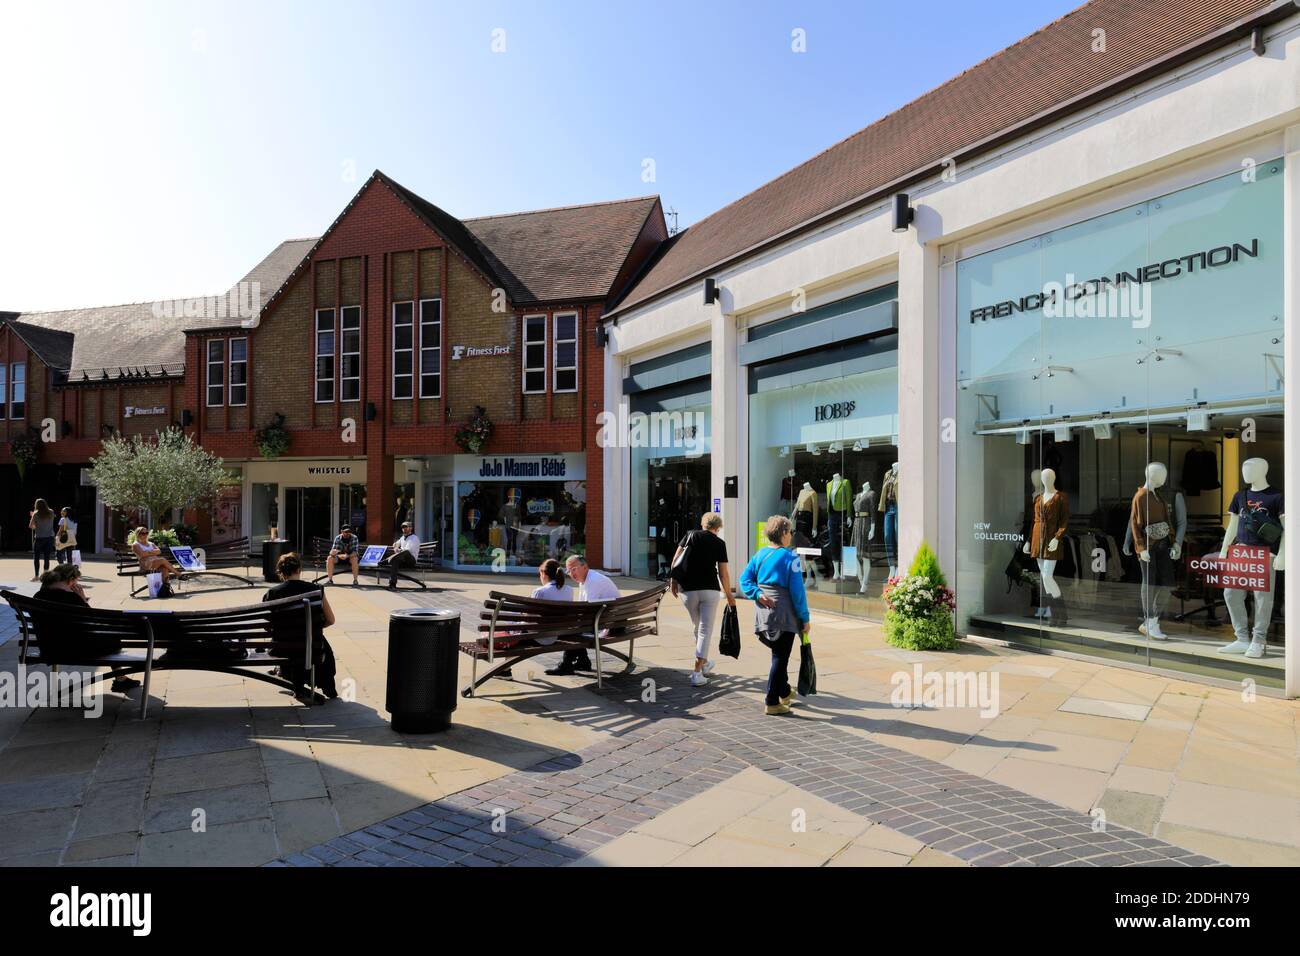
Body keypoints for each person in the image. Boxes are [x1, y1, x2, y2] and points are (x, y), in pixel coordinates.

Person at [740, 515, 810, 716]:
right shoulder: (791, 558)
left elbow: (745, 580)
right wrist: (804, 618)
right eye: (790, 532)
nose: (791, 536)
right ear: (783, 534)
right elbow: (798, 593)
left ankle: (785, 692)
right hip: (784, 615)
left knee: (777, 654)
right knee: (780, 658)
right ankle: (772, 701)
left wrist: (758, 594)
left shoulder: (760, 554)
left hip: (763, 614)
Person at [34, 563, 140, 693]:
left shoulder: (37, 597)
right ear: (70, 580)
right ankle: (120, 678)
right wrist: (83, 600)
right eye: (76, 581)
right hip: (75, 649)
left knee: (107, 634)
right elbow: (92, 620)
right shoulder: (71, 598)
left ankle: (121, 678)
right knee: (112, 637)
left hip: (49, 648)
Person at [669, 512, 737, 687]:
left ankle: (704, 663)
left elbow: (676, 560)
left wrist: (673, 580)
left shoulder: (690, 535)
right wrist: (729, 596)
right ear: (718, 527)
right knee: (704, 630)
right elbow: (723, 574)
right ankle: (697, 672)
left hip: (688, 590)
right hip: (709, 589)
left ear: (702, 524)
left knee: (697, 627)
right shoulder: (719, 543)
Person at [263, 552, 339, 700]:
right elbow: (331, 620)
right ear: (299, 570)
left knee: (294, 646)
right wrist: (311, 628)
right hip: (311, 645)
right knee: (321, 646)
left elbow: (268, 625)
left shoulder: (272, 593)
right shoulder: (316, 590)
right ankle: (328, 687)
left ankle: (292, 681)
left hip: (283, 647)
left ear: (281, 572)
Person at [547, 554, 619, 675]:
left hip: (610, 625)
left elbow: (586, 613)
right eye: (569, 571)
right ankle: (582, 660)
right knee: (573, 626)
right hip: (610, 620)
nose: (571, 574)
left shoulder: (593, 581)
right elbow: (584, 609)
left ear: (585, 566)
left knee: (570, 628)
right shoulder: (586, 580)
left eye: (574, 569)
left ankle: (566, 664)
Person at [131, 527, 179, 596]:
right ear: (138, 534)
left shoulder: (151, 543)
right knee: (162, 560)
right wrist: (153, 552)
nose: (145, 535)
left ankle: (164, 591)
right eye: (143, 533)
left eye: (146, 533)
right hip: (146, 565)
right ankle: (178, 574)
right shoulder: (136, 545)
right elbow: (142, 554)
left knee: (164, 569)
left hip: (155, 563)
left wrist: (147, 552)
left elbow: (159, 551)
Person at [28, 499, 57, 582]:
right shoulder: (51, 512)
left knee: (36, 557)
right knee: (47, 557)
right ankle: (45, 576)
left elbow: (31, 526)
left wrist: (37, 525)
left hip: (39, 538)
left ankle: (36, 576)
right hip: (49, 537)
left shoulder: (36, 514)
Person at [386, 521, 420, 589]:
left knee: (406, 552)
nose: (404, 528)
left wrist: (398, 550)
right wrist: (396, 546)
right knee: (395, 561)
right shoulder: (403, 537)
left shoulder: (414, 538)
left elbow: (408, 550)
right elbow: (396, 544)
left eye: (406, 527)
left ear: (411, 528)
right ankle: (392, 584)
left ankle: (386, 560)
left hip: (411, 560)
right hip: (402, 560)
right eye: (403, 527)